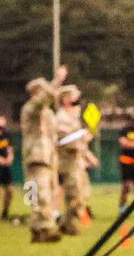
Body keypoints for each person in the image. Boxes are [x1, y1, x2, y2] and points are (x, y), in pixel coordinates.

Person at [22, 67, 68, 243]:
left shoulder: (46, 113)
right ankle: (45, 228)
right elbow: (45, 100)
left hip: (47, 157)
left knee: (46, 193)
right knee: (38, 194)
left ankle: (38, 229)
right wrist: (57, 80)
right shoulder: (30, 109)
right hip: (36, 157)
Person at [56, 85, 91, 236]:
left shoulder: (73, 116)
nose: (78, 99)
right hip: (68, 163)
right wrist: (80, 139)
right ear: (66, 99)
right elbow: (63, 140)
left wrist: (88, 155)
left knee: (83, 195)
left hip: (77, 162)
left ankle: (66, 223)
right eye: (75, 96)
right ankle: (69, 225)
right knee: (74, 196)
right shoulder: (61, 117)